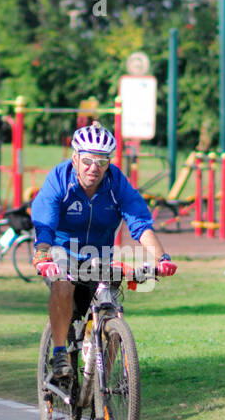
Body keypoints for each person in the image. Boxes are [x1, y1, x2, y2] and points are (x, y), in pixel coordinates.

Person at [30, 123, 178, 381]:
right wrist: (43, 255)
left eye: (102, 161)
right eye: (87, 160)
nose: (93, 168)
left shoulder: (116, 182)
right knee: (63, 285)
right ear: (75, 158)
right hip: (62, 253)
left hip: (99, 258)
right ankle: (61, 352)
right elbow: (45, 224)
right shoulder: (59, 179)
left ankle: (101, 387)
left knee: (112, 309)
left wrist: (161, 258)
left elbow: (140, 223)